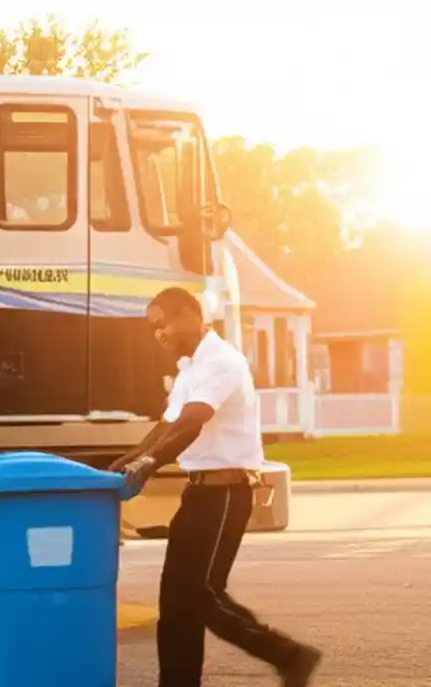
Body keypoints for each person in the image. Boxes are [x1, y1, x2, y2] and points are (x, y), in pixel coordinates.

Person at [110, 287, 322, 687]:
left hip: (225, 493)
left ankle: (289, 655)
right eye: (154, 328)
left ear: (192, 314)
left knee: (198, 594)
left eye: (163, 323)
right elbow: (168, 424)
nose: (159, 334)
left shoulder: (222, 361)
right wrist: (129, 457)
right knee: (178, 600)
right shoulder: (190, 368)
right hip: (201, 493)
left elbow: (194, 420)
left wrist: (151, 462)